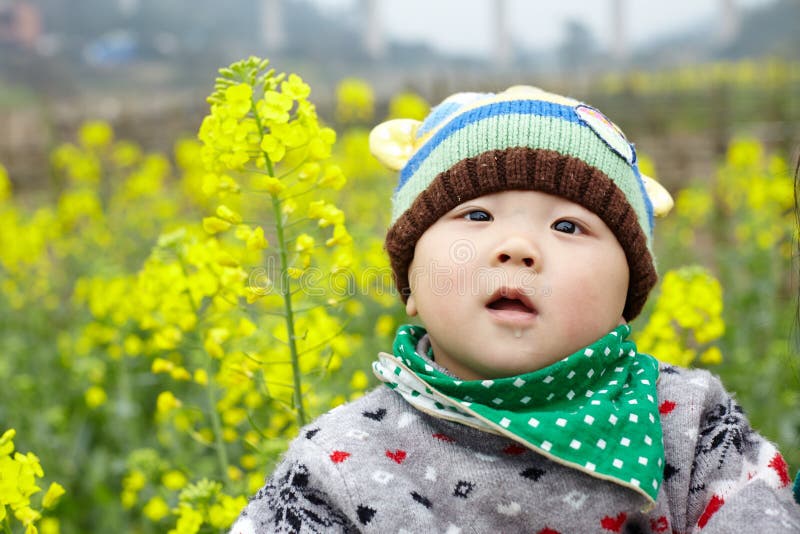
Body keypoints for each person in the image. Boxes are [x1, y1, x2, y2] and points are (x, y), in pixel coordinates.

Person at [230, 86, 800, 533]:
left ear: (627, 300)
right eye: (477, 217)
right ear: (411, 289)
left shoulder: (690, 423)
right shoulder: (338, 458)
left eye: (568, 226)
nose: (518, 247)